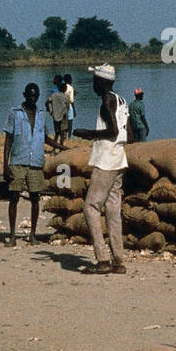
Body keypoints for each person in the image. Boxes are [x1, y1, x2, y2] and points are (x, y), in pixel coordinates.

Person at [74, 64, 129, 274]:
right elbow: (127, 133)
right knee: (113, 210)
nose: (93, 85)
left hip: (106, 160)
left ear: (103, 82)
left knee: (91, 207)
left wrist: (88, 133)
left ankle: (103, 260)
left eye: (95, 81)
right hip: (119, 158)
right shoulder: (122, 100)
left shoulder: (107, 99)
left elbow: (113, 131)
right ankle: (118, 260)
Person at [3, 82, 60, 246]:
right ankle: (12, 235)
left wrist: (63, 147)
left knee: (35, 197)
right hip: (18, 162)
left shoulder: (42, 114)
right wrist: (5, 165)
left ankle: (32, 235)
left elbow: (45, 137)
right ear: (24, 95)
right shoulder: (15, 113)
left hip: (35, 162)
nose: (32, 98)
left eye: (35, 96)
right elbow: (8, 141)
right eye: (30, 95)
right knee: (14, 198)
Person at [46, 76, 71, 149]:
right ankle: (61, 146)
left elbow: (47, 102)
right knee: (62, 132)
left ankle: (54, 147)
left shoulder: (53, 95)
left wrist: (50, 111)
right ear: (65, 89)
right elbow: (68, 106)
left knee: (56, 133)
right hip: (63, 116)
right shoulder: (66, 96)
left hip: (55, 116)